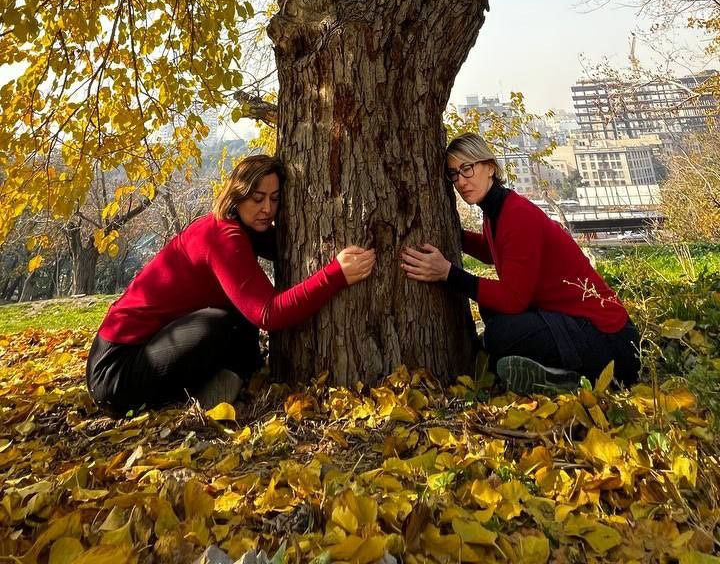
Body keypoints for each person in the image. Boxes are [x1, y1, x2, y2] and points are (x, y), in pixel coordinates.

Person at [86, 153, 375, 415]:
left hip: (142, 350)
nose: (267, 209)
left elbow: (279, 249)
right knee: (220, 322)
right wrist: (336, 275)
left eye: (275, 199)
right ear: (237, 197)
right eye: (257, 198)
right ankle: (204, 397)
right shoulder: (223, 236)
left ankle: (233, 379)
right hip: (116, 371)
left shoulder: (243, 227)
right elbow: (268, 313)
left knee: (234, 316)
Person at [400, 132, 640, 394]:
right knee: (493, 314)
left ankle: (571, 381)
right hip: (579, 326)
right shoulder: (498, 211)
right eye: (454, 174)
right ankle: (551, 372)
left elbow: (514, 299)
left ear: (490, 167)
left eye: (467, 168)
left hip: (609, 340)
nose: (461, 181)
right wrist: (455, 237)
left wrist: (448, 273)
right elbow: (498, 250)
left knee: (499, 334)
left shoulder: (516, 214)